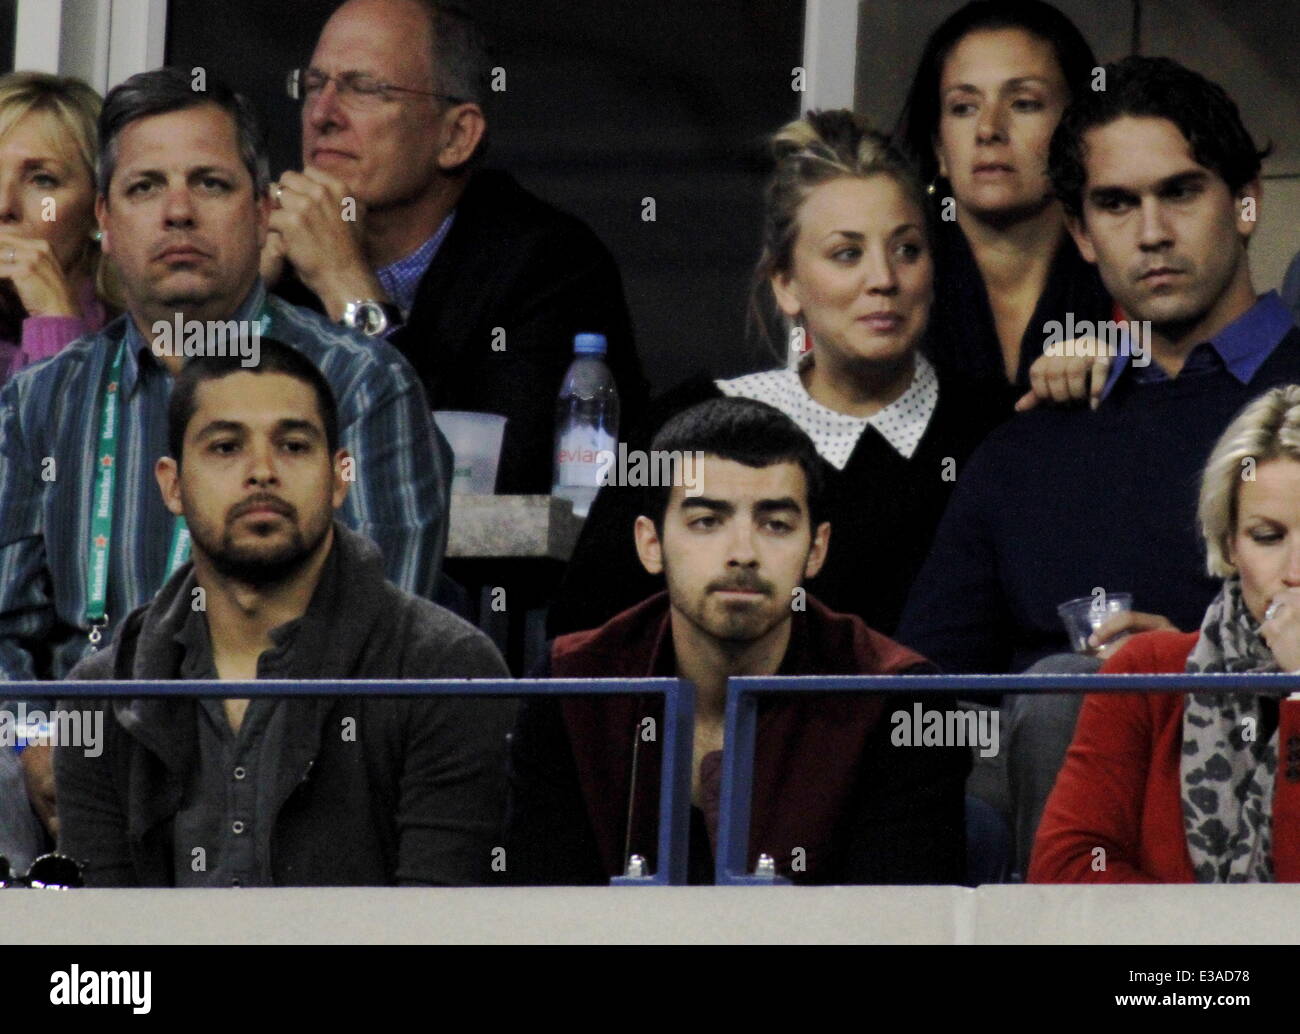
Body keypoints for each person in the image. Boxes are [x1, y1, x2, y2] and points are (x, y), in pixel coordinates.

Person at [0, 68, 450, 854]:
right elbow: (5, 634)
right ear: (105, 219)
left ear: (264, 209)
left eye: (209, 183)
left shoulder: (362, 386)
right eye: (145, 188)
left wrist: (211, 757)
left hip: (297, 778)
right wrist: (35, 740)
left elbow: (379, 645)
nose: (178, 211)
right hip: (75, 780)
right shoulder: (42, 400)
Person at [898, 56, 1300, 874]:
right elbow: (921, 701)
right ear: (1080, 233)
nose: (1151, 231)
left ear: (1247, 201)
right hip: (1056, 805)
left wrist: (1193, 662)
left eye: (1180, 192)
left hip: (1268, 771)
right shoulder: (1028, 443)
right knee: (1059, 694)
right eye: (1116, 204)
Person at [55, 341, 513, 886]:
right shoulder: (99, 694)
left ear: (341, 477)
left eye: (294, 446)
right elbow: (103, 943)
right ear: (172, 485)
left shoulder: (448, 670)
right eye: (225, 447)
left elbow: (439, 929)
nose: (262, 472)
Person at [548, 109, 1004, 640]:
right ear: (786, 284)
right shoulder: (694, 427)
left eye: (907, 249)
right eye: (847, 253)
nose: (883, 278)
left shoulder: (996, 427)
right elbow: (587, 643)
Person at [507, 398, 969, 884]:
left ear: (816, 549)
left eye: (776, 525)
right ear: (650, 544)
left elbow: (901, 929)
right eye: (707, 521)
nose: (743, 554)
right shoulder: (571, 686)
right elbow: (538, 916)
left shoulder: (896, 698)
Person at [266, 0, 648, 494]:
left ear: (456, 136)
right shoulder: (277, 259)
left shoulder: (550, 267)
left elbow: (491, 490)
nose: (322, 114)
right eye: (314, 85)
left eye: (363, 88)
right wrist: (242, 301)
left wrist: (349, 288)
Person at [1032, 384, 1300, 883]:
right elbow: (1066, 872)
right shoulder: (1149, 673)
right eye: (1268, 537)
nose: (1295, 572)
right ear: (1229, 543)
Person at [893, 0, 1113, 411]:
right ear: (939, 147)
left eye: (1023, 103)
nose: (989, 129)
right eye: (964, 107)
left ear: (1080, 129)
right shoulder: (889, 285)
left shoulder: (1132, 280)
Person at [0, 72, 114, 384]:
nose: (3, 206)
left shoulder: (140, 343)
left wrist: (54, 320)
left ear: (98, 212)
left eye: (42, 179)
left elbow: (66, 431)